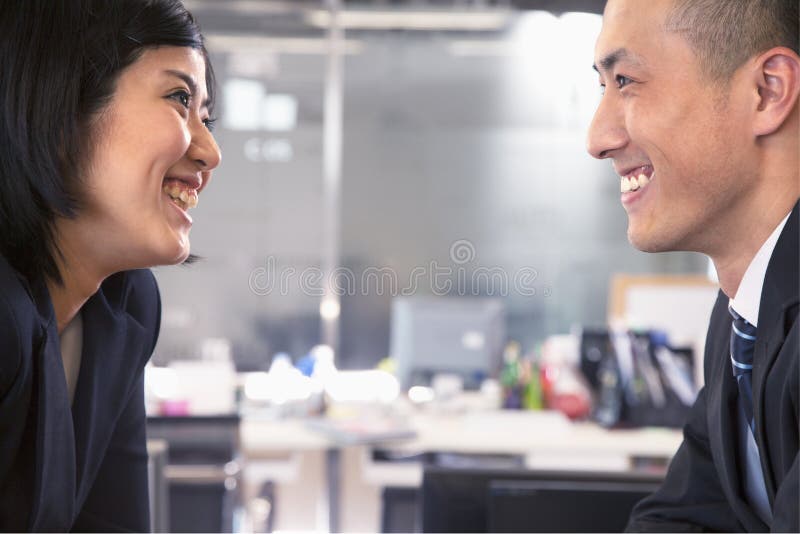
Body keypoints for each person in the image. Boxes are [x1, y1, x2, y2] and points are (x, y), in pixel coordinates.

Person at [0, 0, 221, 530]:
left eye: (206, 117)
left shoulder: (125, 307)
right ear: (60, 111)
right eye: (179, 98)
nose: (210, 152)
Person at [587, 0, 798, 531]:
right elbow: (691, 514)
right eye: (602, 86)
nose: (597, 139)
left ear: (767, 92)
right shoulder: (738, 317)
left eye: (626, 81)